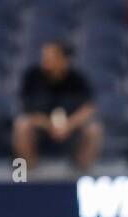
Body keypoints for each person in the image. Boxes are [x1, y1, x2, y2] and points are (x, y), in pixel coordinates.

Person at [13, 41, 102, 171]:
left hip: (71, 129)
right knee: (21, 125)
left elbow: (88, 109)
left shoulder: (78, 79)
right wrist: (50, 126)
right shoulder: (32, 76)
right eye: (44, 56)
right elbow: (27, 110)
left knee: (94, 129)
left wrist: (68, 126)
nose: (45, 60)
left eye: (50, 57)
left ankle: (83, 171)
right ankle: (27, 173)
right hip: (41, 128)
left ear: (64, 59)